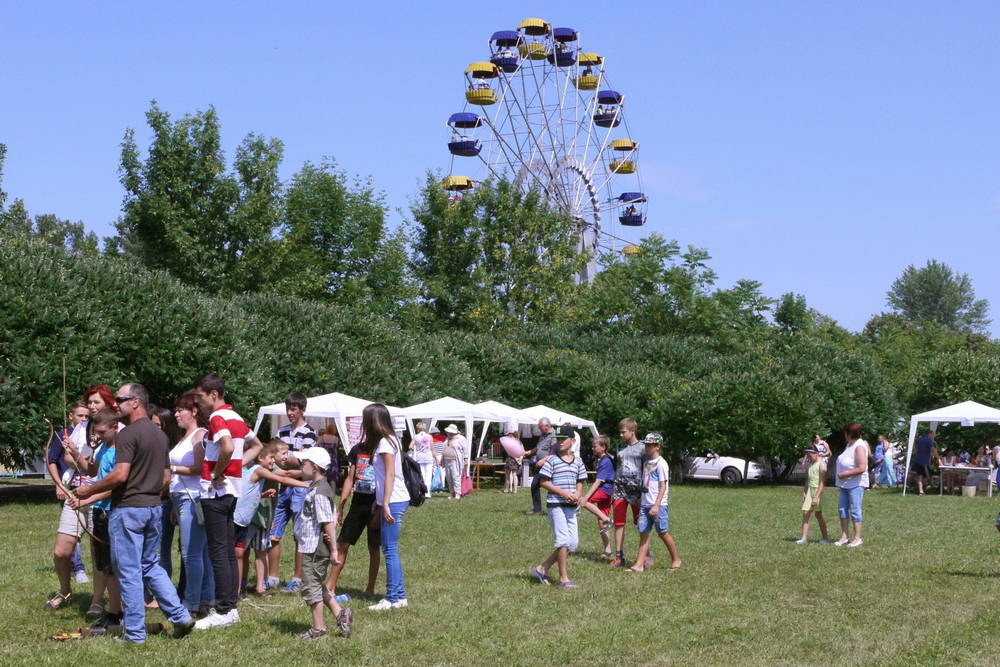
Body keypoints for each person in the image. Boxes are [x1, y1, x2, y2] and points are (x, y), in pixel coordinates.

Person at [74, 383, 194, 644]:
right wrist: (150, 495)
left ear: (136, 402)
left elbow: (120, 474)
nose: (115, 403)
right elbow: (165, 477)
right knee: (151, 565)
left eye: (120, 399)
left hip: (128, 510)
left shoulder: (127, 435)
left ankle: (135, 634)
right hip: (153, 509)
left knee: (128, 571)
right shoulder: (160, 436)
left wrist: (89, 489)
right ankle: (181, 617)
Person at [192, 373, 249, 630]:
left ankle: (223, 610)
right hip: (232, 491)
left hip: (215, 492)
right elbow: (256, 445)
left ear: (213, 394)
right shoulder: (235, 416)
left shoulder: (217, 417)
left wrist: (218, 472)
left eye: (201, 396)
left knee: (218, 552)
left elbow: (226, 447)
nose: (199, 401)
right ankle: (231, 607)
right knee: (227, 552)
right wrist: (236, 468)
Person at [58, 385, 119, 617]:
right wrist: (74, 452)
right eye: (89, 403)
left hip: (102, 502)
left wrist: (89, 496)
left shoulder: (116, 435)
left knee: (103, 558)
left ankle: (103, 604)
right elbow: (92, 468)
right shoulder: (95, 436)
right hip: (84, 495)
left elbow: (116, 480)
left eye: (96, 402)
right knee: (68, 551)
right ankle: (67, 591)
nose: (91, 407)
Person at [67, 408, 124, 628]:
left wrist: (85, 500)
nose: (97, 436)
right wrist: (74, 451)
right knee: (105, 565)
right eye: (96, 431)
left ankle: (116, 611)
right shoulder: (104, 448)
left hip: (112, 512)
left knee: (113, 566)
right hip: (100, 512)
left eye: (101, 431)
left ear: (115, 427)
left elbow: (115, 486)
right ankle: (114, 611)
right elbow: (92, 471)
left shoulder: (120, 451)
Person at [235, 440, 309, 597]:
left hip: (262, 517)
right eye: (280, 454)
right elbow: (285, 477)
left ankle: (259, 586)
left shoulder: (266, 467)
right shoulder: (260, 469)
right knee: (242, 552)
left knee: (260, 551)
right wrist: (309, 479)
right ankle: (239, 587)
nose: (277, 460)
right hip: (249, 518)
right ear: (261, 458)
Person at [294, 446, 353, 639]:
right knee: (316, 584)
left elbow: (328, 522)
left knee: (310, 587)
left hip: (315, 549)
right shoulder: (318, 487)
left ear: (315, 467)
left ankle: (318, 629)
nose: (301, 466)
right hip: (312, 546)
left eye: (304, 463)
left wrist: (334, 551)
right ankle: (341, 614)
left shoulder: (319, 491)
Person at [169, 391, 214, 617]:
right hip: (180, 499)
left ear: (194, 412)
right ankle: (205, 598)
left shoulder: (199, 435)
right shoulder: (184, 437)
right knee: (200, 552)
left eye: (181, 410)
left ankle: (192, 602)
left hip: (192, 498)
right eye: (175, 410)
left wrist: (171, 469)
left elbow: (199, 468)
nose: (176, 414)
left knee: (191, 554)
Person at [270, 392, 318, 594]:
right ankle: (272, 578)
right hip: (282, 488)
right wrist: (292, 462)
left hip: (300, 489)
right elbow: (275, 458)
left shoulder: (310, 433)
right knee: (273, 532)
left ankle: (297, 579)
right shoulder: (281, 432)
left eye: (293, 409)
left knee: (299, 534)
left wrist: (289, 461)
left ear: (302, 410)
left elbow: (305, 463)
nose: (290, 413)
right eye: (288, 409)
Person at [366, 403, 411, 611]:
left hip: (393, 500)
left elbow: (391, 474)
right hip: (391, 499)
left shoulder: (385, 442)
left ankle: (392, 597)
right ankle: (400, 596)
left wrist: (384, 503)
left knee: (390, 549)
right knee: (390, 548)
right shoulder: (391, 439)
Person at [530, 426, 587, 587]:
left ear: (573, 441)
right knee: (563, 541)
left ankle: (542, 568)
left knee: (572, 544)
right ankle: (564, 579)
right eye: (558, 439)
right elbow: (544, 482)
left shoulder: (578, 461)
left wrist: (577, 493)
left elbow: (580, 480)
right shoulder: (552, 460)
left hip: (571, 506)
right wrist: (563, 493)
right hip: (556, 505)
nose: (560, 442)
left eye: (563, 439)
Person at [45, 401, 90, 602]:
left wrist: (77, 454)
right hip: (71, 489)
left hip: (95, 493)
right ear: (71, 416)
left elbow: (89, 464)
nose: (84, 419)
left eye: (86, 416)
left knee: (100, 553)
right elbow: (54, 460)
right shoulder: (66, 434)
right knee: (64, 547)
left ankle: (96, 598)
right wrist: (58, 484)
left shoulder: (98, 431)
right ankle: (68, 585)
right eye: (80, 415)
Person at [328, 433, 381, 598]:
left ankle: (370, 588)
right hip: (358, 503)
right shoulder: (358, 449)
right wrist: (341, 506)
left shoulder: (383, 449)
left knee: (373, 547)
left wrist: (380, 506)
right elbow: (350, 478)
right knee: (342, 543)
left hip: (376, 504)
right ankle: (330, 586)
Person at [627, 433, 681, 572]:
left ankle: (676, 559)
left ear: (657, 446)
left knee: (662, 532)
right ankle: (639, 565)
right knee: (643, 533)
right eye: (646, 444)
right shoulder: (646, 463)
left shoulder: (661, 463)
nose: (646, 447)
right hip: (645, 504)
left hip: (658, 505)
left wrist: (656, 505)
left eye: (650, 445)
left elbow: (663, 486)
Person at [609, 418, 645, 568]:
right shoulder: (619, 447)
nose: (621, 435)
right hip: (619, 490)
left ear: (632, 431)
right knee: (619, 523)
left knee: (642, 524)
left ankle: (644, 554)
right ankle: (619, 556)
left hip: (638, 492)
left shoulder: (643, 448)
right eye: (620, 432)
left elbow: (648, 468)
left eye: (623, 432)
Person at [834, 423, 869, 548]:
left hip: (856, 484)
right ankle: (844, 536)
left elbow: (862, 467)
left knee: (855, 510)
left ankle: (857, 538)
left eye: (845, 432)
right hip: (844, 484)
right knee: (842, 510)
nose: (844, 435)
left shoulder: (859, 446)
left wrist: (845, 474)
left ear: (850, 433)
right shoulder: (849, 444)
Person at [580, 435, 614, 558]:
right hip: (606, 490)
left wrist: (585, 497)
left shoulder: (605, 461)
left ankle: (608, 520)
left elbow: (598, 481)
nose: (592, 448)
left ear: (603, 447)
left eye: (595, 446)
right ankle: (607, 550)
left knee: (583, 501)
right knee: (600, 520)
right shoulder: (601, 459)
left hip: (605, 490)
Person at [796, 443, 829, 544]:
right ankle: (804, 538)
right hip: (810, 491)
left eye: (810, 455)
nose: (809, 458)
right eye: (808, 456)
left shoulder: (822, 465)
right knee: (806, 513)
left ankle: (825, 538)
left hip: (817, 492)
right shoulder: (811, 464)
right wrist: (804, 492)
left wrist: (816, 497)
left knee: (818, 515)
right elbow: (808, 480)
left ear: (817, 453)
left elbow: (822, 483)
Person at [525, 418, 556, 515]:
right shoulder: (543, 435)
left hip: (549, 465)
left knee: (552, 487)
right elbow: (538, 448)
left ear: (547, 426)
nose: (539, 429)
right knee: (535, 485)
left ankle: (556, 507)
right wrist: (529, 452)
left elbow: (554, 452)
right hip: (540, 465)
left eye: (540, 427)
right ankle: (537, 509)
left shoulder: (554, 435)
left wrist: (543, 460)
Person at [409, 421, 436, 500]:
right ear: (424, 428)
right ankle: (427, 493)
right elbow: (432, 448)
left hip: (419, 458)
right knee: (428, 476)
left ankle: (422, 492)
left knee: (422, 475)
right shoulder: (429, 436)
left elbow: (410, 446)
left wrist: (416, 448)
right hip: (428, 457)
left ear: (418, 429)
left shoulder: (416, 436)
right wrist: (436, 458)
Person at [441, 424, 468, 500]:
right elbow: (444, 450)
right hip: (447, 460)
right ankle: (451, 493)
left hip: (455, 461)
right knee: (449, 478)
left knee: (456, 477)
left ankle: (457, 493)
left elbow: (465, 449)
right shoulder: (447, 439)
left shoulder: (461, 438)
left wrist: (466, 459)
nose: (448, 433)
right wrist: (441, 460)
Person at [910, 430, 938, 495]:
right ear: (930, 434)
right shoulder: (929, 440)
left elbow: (915, 449)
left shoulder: (919, 440)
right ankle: (922, 490)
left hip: (918, 460)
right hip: (924, 462)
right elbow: (933, 449)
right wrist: (938, 458)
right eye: (934, 434)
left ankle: (921, 490)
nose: (934, 435)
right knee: (925, 477)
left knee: (920, 477)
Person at [502, 425, 523, 494]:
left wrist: (516, 458)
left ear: (511, 434)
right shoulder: (518, 441)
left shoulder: (509, 442)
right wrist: (520, 459)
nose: (507, 435)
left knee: (507, 475)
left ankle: (506, 489)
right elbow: (522, 451)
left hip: (510, 459)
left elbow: (509, 452)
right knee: (515, 475)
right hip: (516, 460)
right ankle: (515, 490)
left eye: (508, 434)